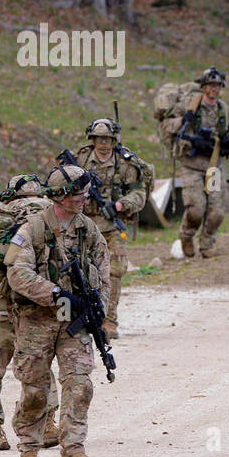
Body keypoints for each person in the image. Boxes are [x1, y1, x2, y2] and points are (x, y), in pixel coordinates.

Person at [4, 164, 111, 457]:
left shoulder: (88, 229)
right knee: (36, 390)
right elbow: (17, 273)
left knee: (80, 384)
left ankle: (73, 447)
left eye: (85, 192)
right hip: (36, 321)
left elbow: (104, 272)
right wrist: (56, 294)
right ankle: (28, 444)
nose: (83, 198)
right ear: (61, 196)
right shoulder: (31, 230)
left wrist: (97, 308)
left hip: (75, 321)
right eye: (78, 193)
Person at [72, 117, 151, 338]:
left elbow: (139, 194)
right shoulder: (82, 159)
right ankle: (83, 317)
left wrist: (119, 205)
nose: (103, 144)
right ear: (93, 140)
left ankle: (109, 320)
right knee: (80, 270)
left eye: (107, 139)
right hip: (84, 224)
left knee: (114, 270)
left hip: (112, 225)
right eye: (99, 139)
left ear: (113, 139)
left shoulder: (124, 164)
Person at [172, 67, 229, 258]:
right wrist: (190, 139)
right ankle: (186, 236)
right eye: (211, 85)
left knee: (217, 211)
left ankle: (207, 244)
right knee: (196, 209)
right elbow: (172, 128)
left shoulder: (223, 109)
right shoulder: (190, 107)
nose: (214, 89)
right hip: (192, 166)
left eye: (218, 85)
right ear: (203, 86)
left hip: (214, 166)